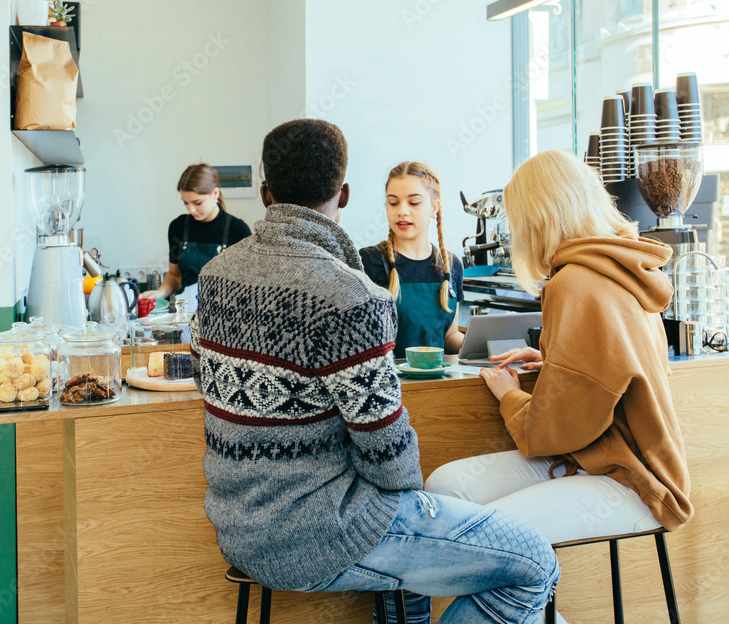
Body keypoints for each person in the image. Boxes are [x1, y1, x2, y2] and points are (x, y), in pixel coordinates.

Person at [192, 118, 559, 624]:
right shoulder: (351, 295)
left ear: (264, 193)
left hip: (239, 529)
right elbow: (388, 455)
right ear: (343, 195)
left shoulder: (214, 277)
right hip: (325, 533)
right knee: (535, 563)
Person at [426, 149, 693, 548]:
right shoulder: (624, 267)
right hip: (612, 457)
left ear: (537, 219)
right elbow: (616, 372)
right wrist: (553, 362)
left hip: (633, 478)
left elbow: (560, 428)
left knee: (483, 540)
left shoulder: (572, 282)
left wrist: (510, 396)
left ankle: (542, 614)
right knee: (445, 486)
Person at [360, 162, 465, 357]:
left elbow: (450, 337)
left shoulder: (451, 265)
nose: (402, 211)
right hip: (389, 384)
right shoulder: (368, 261)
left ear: (435, 207)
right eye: (393, 202)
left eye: (414, 202)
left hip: (437, 382)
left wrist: (485, 347)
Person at [140, 163, 251, 311]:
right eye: (186, 203)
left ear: (215, 194)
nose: (191, 209)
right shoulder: (178, 227)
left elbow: (248, 284)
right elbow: (175, 275)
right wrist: (159, 293)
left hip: (226, 315)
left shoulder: (238, 230)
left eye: (197, 203)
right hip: (187, 313)